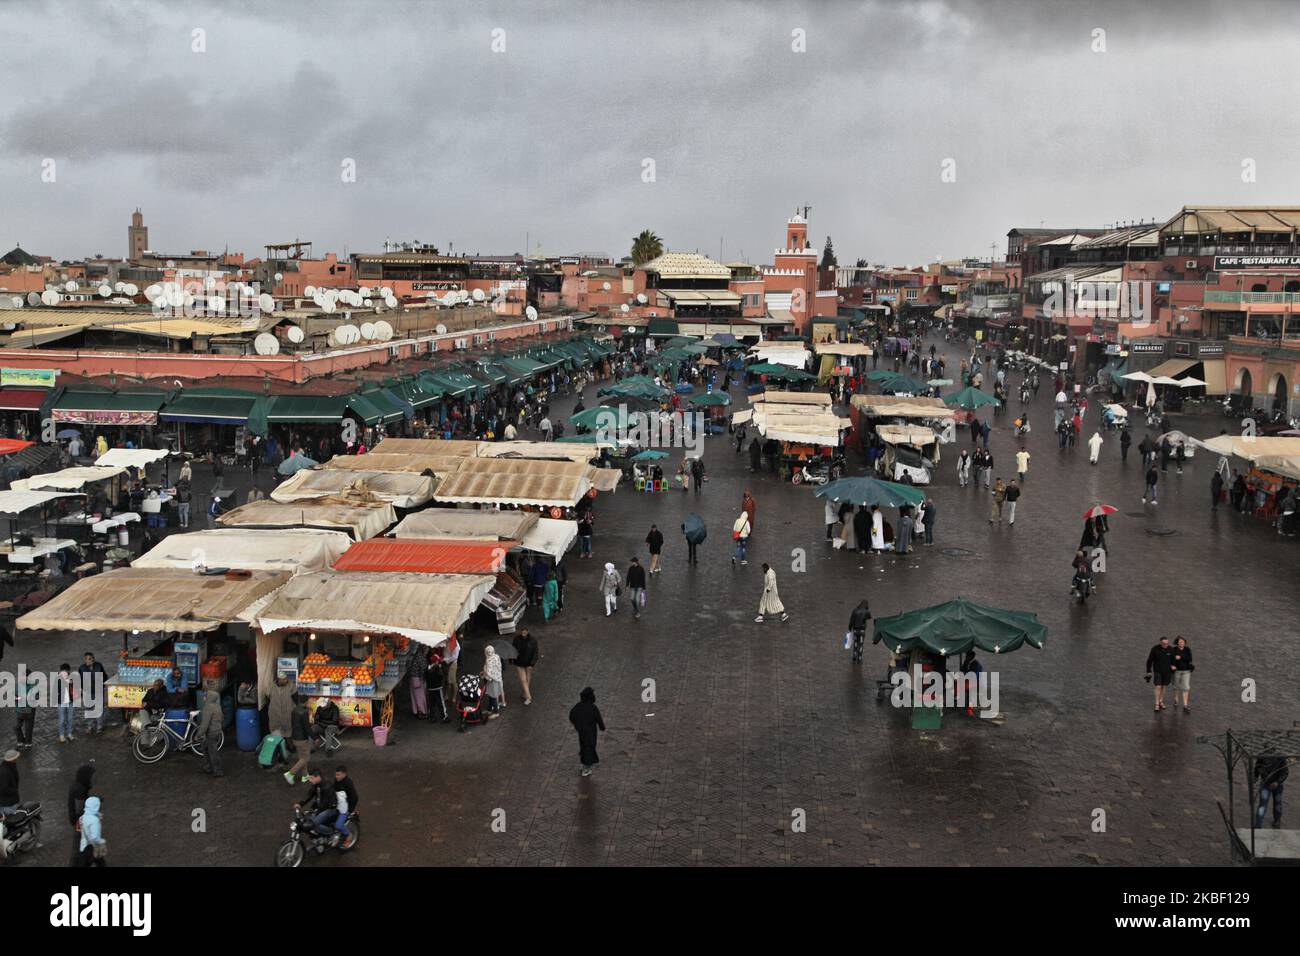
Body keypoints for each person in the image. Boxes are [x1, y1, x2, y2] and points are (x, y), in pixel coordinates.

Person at [569, 687, 606, 777]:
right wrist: (602, 727)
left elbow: (571, 715)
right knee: (589, 747)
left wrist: (577, 725)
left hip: (581, 732)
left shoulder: (578, 706)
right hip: (591, 732)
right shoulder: (593, 708)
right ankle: (586, 768)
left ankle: (584, 764)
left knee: (583, 746)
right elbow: (599, 719)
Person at [66, 762, 95, 866]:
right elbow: (79, 811)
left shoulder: (76, 785)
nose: (92, 778)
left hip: (79, 821)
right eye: (91, 776)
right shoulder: (80, 790)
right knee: (78, 848)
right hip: (81, 823)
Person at [196, 687, 225, 778]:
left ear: (209, 697)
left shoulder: (207, 708)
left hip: (210, 733)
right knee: (205, 749)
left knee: (212, 752)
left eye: (205, 696)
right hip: (217, 731)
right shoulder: (217, 706)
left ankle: (218, 771)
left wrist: (198, 735)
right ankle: (208, 767)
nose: (204, 697)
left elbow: (205, 724)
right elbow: (222, 718)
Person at [1255, 756, 1289, 829]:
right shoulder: (1262, 757)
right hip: (1265, 784)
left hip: (1277, 785)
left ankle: (1277, 820)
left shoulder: (1281, 758)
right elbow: (1257, 767)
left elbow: (1285, 772)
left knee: (1277, 803)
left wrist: (1277, 782)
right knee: (1263, 805)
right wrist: (1256, 776)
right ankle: (1258, 824)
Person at [79, 652, 107, 735]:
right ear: (85, 660)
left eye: (93, 658)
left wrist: (103, 684)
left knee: (99, 709)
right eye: (90, 659)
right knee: (89, 709)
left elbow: (104, 676)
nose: (92, 660)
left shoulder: (99, 665)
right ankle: (90, 726)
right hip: (88, 692)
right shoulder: (82, 668)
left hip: (98, 691)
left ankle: (99, 727)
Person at [1145, 636, 1176, 712]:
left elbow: (1173, 660)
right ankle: (1156, 703)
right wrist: (1148, 671)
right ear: (1160, 642)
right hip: (1157, 671)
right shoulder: (1155, 649)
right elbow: (1149, 661)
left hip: (1167, 671)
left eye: (1167, 643)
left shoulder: (1171, 649)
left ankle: (1161, 701)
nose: (1166, 645)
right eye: (1164, 643)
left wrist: (1173, 666)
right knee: (1158, 686)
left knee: (1164, 687)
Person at [76, 795, 107, 867]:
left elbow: (78, 829)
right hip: (93, 846)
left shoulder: (81, 817)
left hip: (84, 845)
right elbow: (95, 837)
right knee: (100, 862)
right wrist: (102, 841)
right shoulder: (94, 821)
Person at [513, 628, 538, 705]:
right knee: (524, 680)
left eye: (525, 631)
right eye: (522, 631)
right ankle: (528, 696)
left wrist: (532, 663)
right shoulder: (517, 639)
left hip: (527, 663)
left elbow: (535, 652)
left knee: (526, 679)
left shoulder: (533, 640)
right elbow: (513, 650)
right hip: (520, 663)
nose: (523, 632)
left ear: (527, 631)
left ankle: (526, 694)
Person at [1170, 637, 1194, 714]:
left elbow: (1189, 658)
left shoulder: (1187, 649)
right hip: (1177, 671)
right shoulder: (1174, 650)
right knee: (1176, 687)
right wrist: (1172, 665)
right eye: (1180, 642)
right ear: (1177, 643)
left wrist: (1180, 657)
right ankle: (1176, 700)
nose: (1182, 643)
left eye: (1183, 642)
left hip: (1186, 671)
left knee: (1186, 687)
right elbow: (1170, 659)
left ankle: (1185, 705)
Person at [848, 599, 872, 664]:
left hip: (855, 629)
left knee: (855, 643)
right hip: (862, 630)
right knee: (861, 644)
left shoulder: (855, 611)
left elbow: (851, 620)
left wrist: (850, 628)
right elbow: (869, 617)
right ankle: (859, 658)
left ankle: (854, 656)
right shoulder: (867, 611)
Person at [482, 645, 504, 715]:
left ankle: (496, 712)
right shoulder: (497, 657)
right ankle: (489, 709)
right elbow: (496, 668)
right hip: (498, 679)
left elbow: (489, 672)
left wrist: (484, 675)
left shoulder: (489, 660)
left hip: (491, 681)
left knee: (493, 696)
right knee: (491, 695)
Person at [0, 750, 19, 815]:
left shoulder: (10, 765)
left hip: (10, 801)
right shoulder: (5, 772)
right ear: (12, 759)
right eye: (16, 757)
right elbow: (4, 788)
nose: (17, 758)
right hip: (8, 804)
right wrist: (14, 791)